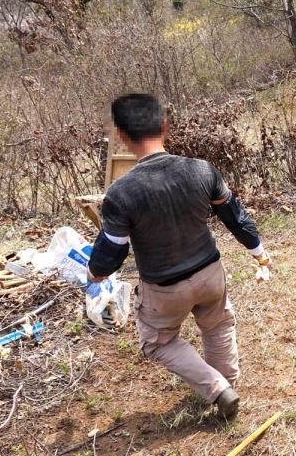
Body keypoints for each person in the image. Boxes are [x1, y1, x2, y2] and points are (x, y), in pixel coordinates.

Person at [86, 94, 271, 419]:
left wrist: (95, 274)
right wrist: (259, 254)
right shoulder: (201, 170)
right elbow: (235, 217)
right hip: (210, 274)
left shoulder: (121, 193)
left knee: (158, 342)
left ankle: (217, 389)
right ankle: (227, 384)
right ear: (165, 126)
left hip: (164, 288)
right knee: (217, 325)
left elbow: (112, 252)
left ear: (122, 136)